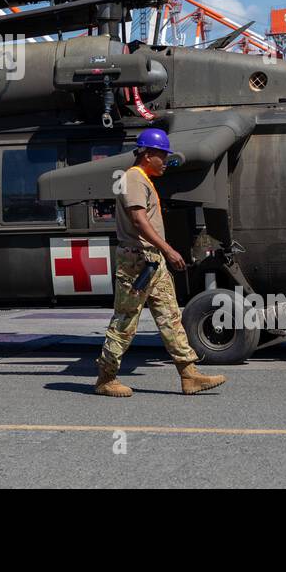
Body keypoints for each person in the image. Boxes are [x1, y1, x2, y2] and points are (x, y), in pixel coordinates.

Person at [95, 128, 228, 397]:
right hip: (137, 260)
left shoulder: (142, 178)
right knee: (126, 319)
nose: (165, 162)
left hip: (150, 260)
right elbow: (138, 221)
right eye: (162, 156)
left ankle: (188, 374)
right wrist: (168, 249)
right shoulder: (133, 178)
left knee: (170, 316)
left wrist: (161, 254)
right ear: (147, 154)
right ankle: (105, 378)